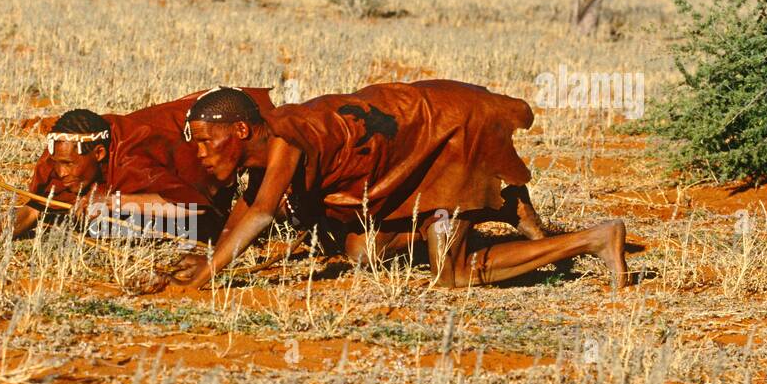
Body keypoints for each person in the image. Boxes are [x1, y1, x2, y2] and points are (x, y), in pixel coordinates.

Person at [167, 80, 629, 290]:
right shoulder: (267, 142)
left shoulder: (286, 138)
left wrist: (208, 277)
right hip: (423, 143)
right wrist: (212, 253)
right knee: (361, 253)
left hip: (453, 134)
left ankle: (593, 239)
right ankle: (498, 207)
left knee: (452, 274)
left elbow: (263, 212)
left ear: (242, 132)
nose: (203, 155)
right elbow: (248, 208)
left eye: (208, 143)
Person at [11, 88, 275, 242]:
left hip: (219, 134)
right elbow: (36, 206)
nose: (61, 172)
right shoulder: (64, 148)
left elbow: (193, 209)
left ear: (100, 153)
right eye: (58, 163)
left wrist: (114, 201)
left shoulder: (133, 159)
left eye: (68, 164)